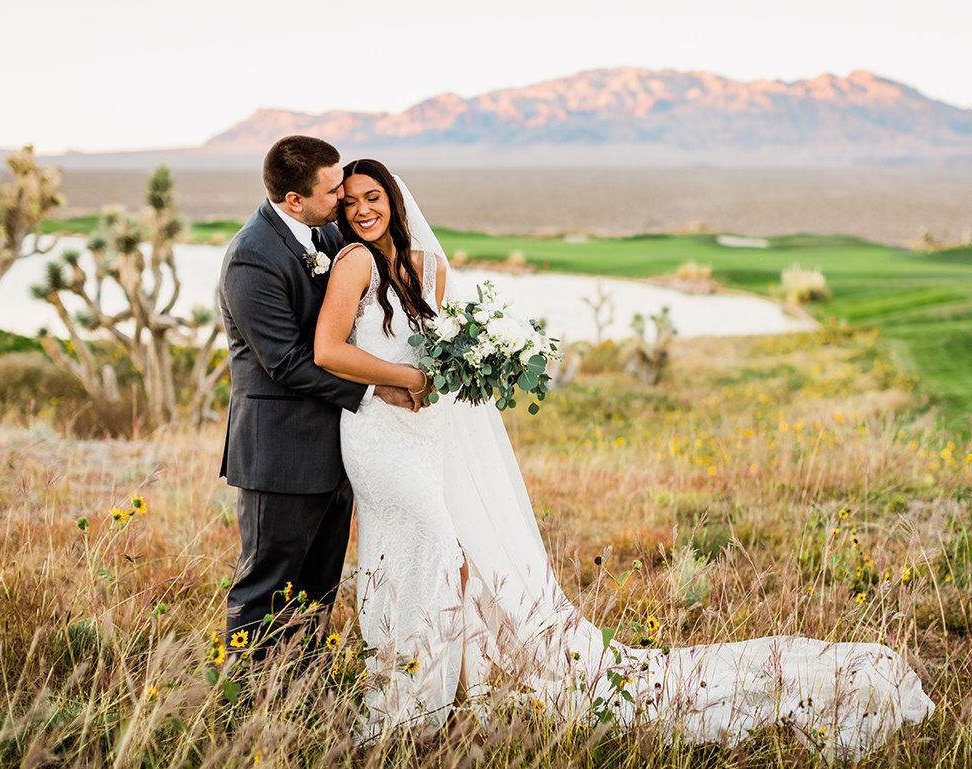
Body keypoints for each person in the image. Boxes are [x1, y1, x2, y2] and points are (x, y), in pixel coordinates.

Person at [314, 158, 935, 756]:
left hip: (428, 432)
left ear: (393, 198)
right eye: (351, 201)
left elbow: (437, 347)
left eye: (374, 197)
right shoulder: (353, 262)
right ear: (340, 211)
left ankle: (446, 682)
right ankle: (410, 690)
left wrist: (461, 369)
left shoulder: (426, 265)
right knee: (422, 542)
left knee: (450, 550)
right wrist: (404, 379)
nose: (364, 209)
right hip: (377, 433)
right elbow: (327, 350)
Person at [218, 137, 424, 653]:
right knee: (267, 585)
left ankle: (303, 698)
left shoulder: (328, 233)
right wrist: (379, 385)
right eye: (334, 190)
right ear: (294, 199)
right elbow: (285, 361)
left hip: (341, 444)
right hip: (281, 451)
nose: (344, 198)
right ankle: (246, 706)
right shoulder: (251, 257)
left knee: (318, 590)